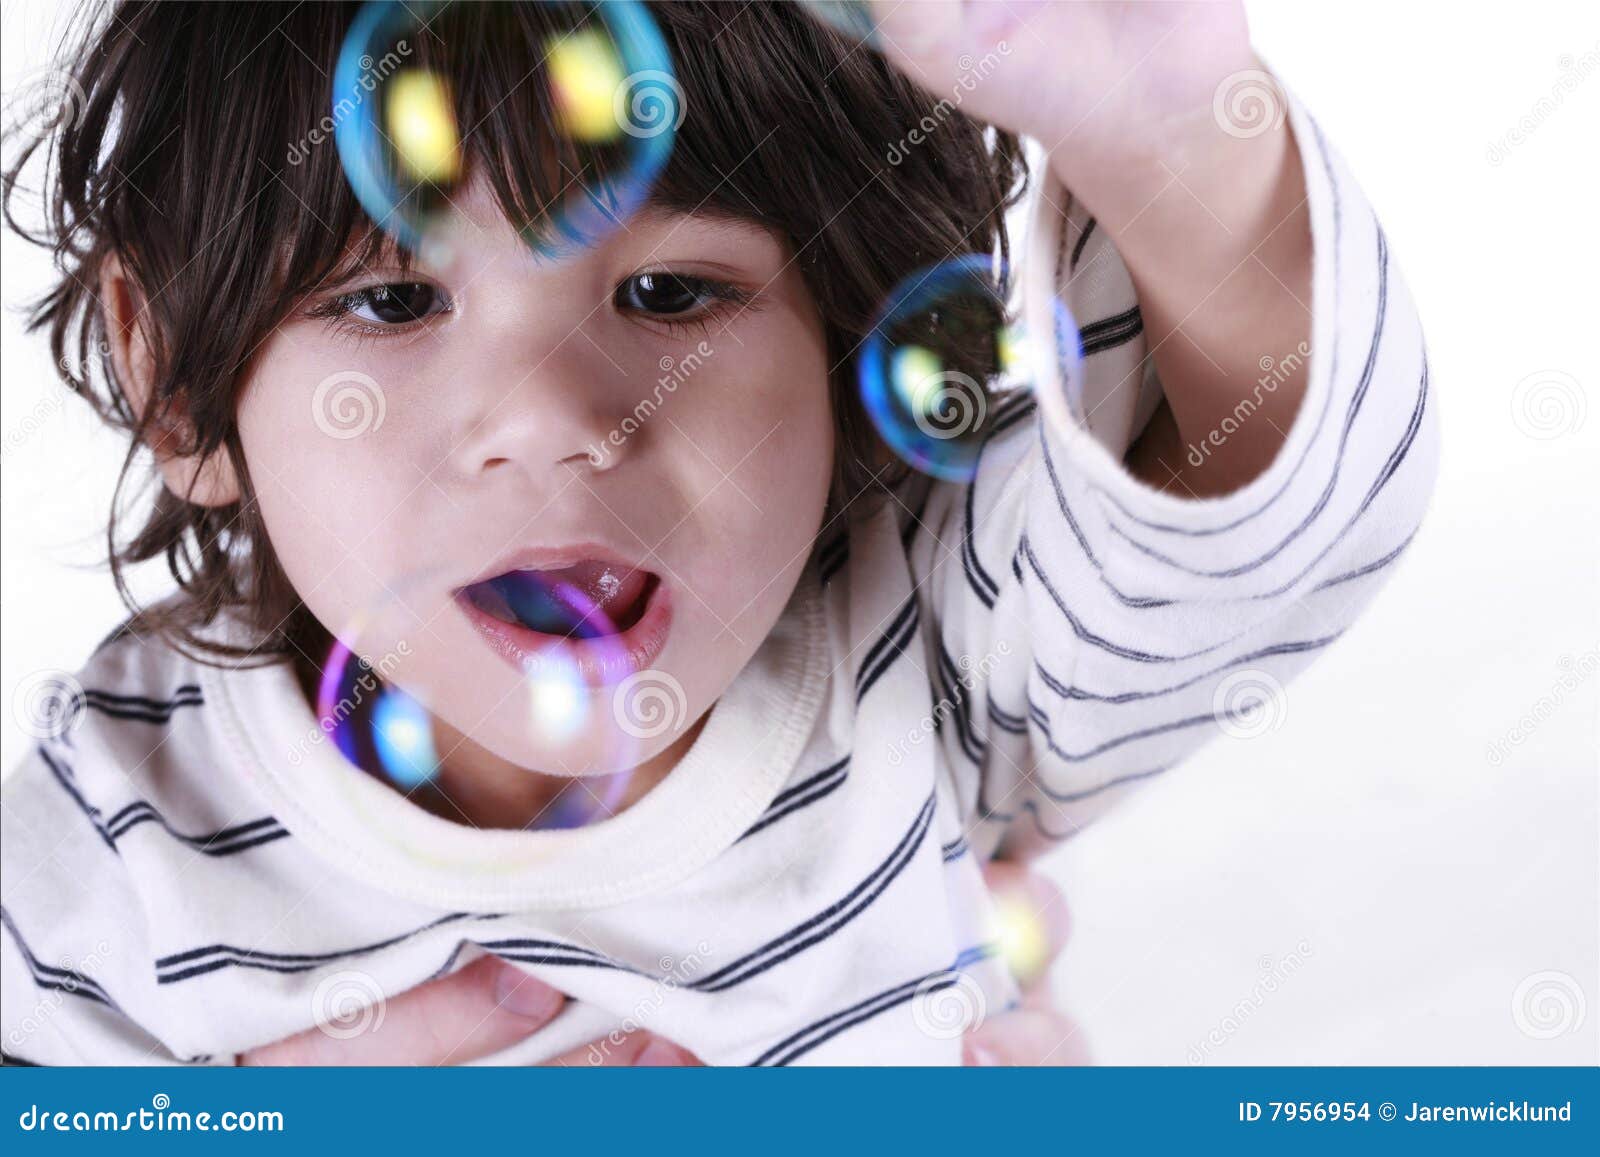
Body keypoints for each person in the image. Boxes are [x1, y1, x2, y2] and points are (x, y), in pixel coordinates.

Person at [0, 0, 1435, 1065]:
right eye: (392, 304)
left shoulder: (927, 656)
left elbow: (1270, 527)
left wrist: (1172, 138)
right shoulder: (113, 841)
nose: (556, 418)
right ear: (175, 372)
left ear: (843, 334)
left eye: (673, 294)